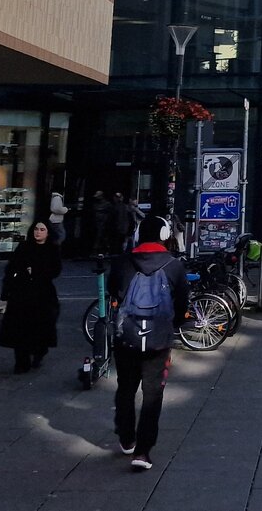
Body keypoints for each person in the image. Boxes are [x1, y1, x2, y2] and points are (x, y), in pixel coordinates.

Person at [109, 215, 188, 471]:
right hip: (158, 338)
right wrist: (172, 324)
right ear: (164, 235)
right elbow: (182, 302)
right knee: (153, 394)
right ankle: (143, 452)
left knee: (126, 387)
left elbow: (114, 291)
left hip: (127, 337)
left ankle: (126, 436)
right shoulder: (173, 265)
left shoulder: (123, 262)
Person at [0, 221, 62, 373]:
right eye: (36, 229)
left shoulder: (52, 249)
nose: (38, 232)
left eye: (42, 229)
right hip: (21, 292)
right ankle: (21, 362)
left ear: (47, 232)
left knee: (40, 327)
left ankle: (39, 351)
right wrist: (7, 289)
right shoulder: (24, 247)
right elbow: (11, 267)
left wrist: (36, 272)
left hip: (42, 294)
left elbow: (55, 271)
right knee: (19, 327)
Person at [90, 190, 115, 256]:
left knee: (102, 237)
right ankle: (100, 251)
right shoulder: (95, 204)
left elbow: (112, 214)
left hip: (104, 224)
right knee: (99, 237)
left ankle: (105, 251)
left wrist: (107, 221)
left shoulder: (107, 204)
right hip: (97, 223)